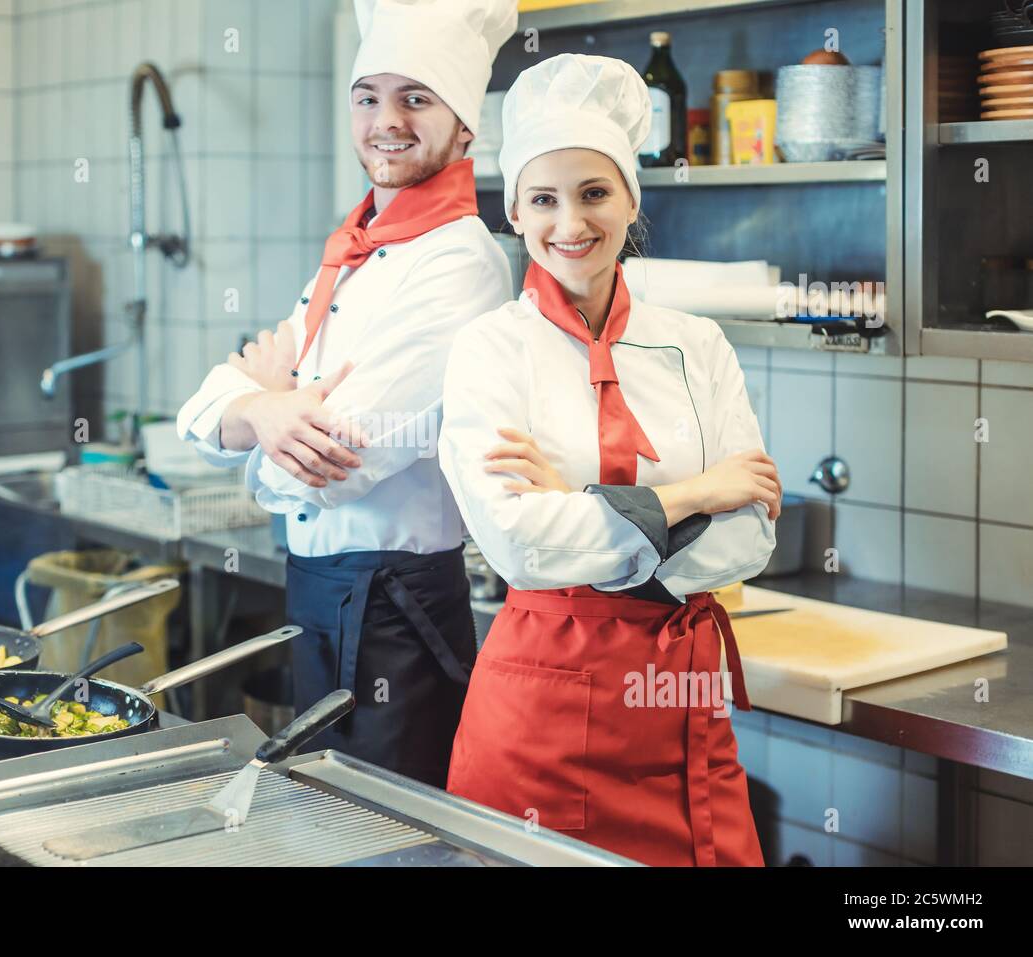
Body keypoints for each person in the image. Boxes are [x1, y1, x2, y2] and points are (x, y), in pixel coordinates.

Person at [438, 53, 782, 865]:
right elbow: (520, 544)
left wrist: (583, 509)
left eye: (594, 193)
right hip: (541, 723)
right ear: (515, 213)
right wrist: (690, 493)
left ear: (632, 197)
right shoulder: (490, 351)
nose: (571, 223)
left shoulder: (698, 344)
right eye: (544, 199)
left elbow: (752, 536)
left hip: (685, 705)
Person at [175, 0, 518, 788]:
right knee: (322, 817)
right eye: (368, 96)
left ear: (465, 126)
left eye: (416, 98)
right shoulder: (356, 246)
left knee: (387, 837)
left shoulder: (461, 262)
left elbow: (332, 457)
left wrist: (264, 412)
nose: (385, 121)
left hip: (395, 611)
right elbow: (210, 404)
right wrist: (262, 407)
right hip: (319, 594)